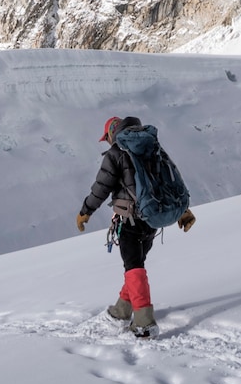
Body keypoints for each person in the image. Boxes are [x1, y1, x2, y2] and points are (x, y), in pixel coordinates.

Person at [77, 114, 194, 335]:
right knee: (136, 264)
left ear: (112, 133)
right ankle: (122, 310)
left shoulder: (115, 154)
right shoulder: (153, 147)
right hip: (151, 220)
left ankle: (144, 321)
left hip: (128, 220)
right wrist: (183, 212)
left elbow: (100, 188)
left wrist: (85, 211)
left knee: (133, 268)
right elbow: (169, 182)